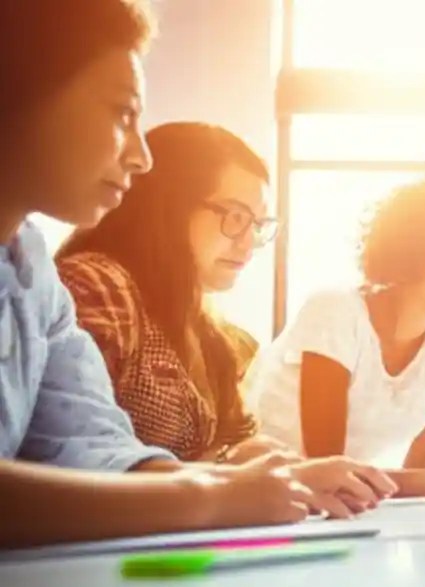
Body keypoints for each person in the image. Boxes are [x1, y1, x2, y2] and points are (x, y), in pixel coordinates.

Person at [0, 0, 393, 550]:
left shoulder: (33, 271)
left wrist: (266, 481)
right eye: (122, 113)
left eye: (256, 224)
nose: (140, 158)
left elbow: (95, 449)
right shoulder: (97, 284)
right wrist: (213, 498)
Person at [250, 177, 425, 496]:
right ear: (416, 250)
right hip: (258, 492)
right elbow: (327, 465)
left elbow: (423, 461)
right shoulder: (336, 310)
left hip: (336, 501)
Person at [56, 122, 283, 464]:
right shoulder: (98, 285)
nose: (249, 242)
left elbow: (213, 461)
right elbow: (81, 458)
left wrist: (247, 461)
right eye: (235, 216)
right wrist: (227, 474)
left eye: (259, 224)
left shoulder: (216, 335)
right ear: (170, 205)